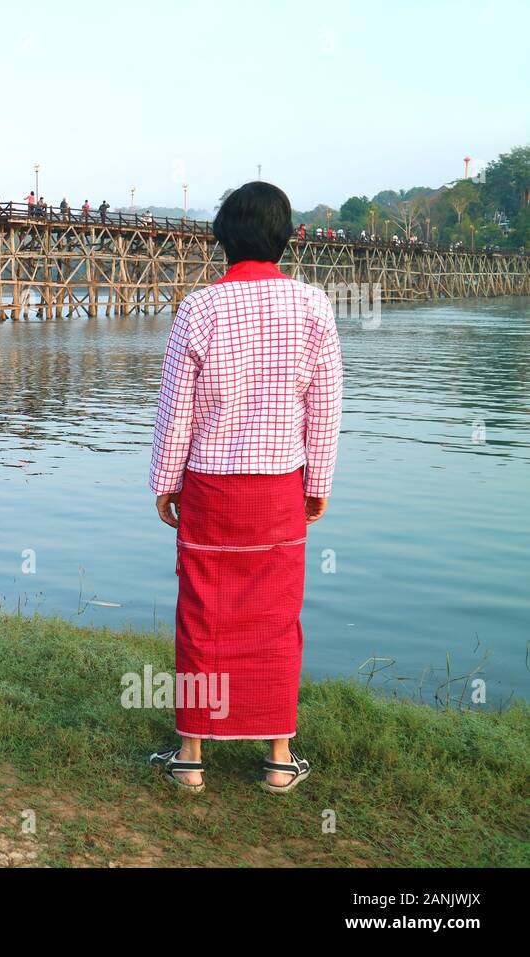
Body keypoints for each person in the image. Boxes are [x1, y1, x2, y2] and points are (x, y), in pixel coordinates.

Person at [147, 181, 343, 795]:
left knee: (202, 611)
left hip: (210, 484)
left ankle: (191, 755)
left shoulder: (198, 309)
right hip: (280, 484)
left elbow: (176, 408)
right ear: (285, 237)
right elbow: (326, 406)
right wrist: (319, 481)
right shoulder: (313, 306)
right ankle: (279, 758)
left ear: (223, 240)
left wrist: (164, 481)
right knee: (277, 618)